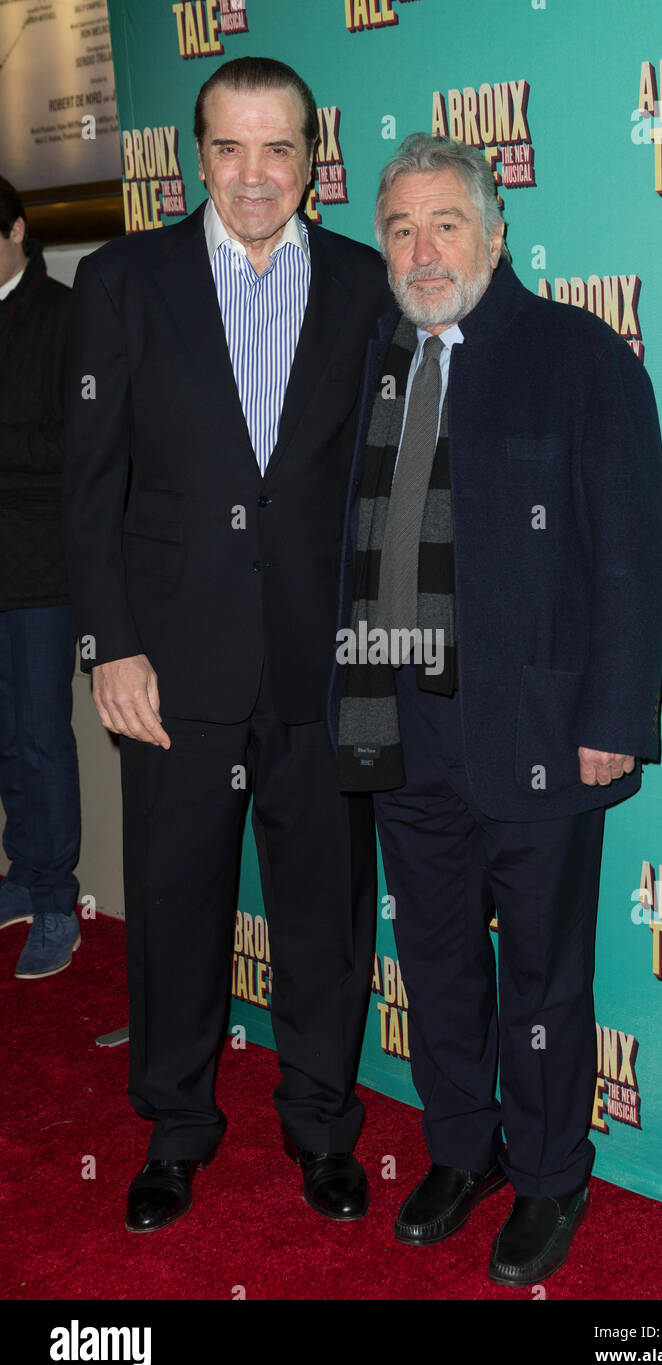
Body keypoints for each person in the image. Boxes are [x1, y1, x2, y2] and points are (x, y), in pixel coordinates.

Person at [332, 133, 662, 1285]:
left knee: (541, 976)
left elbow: (630, 554)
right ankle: (460, 1150)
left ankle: (547, 1174)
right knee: (433, 964)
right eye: (400, 229)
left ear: (495, 233)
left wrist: (612, 718)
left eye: (445, 225)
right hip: (403, 726)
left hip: (540, 734)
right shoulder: (374, 357)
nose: (423, 251)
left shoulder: (578, 356)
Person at [64, 57, 391, 1234]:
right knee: (172, 905)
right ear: (198, 154)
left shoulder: (367, 283)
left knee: (326, 913)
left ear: (315, 156)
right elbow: (90, 485)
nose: (255, 176)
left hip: (325, 665)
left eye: (280, 149)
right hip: (171, 668)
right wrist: (111, 644)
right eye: (231, 148)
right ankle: (176, 1128)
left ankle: (321, 1125)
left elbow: (389, 488)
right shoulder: (122, 279)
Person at [0, 177, 81, 980]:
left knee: (40, 734)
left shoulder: (64, 317)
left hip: (41, 563)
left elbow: (78, 450)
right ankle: (22, 872)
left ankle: (58, 900)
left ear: (18, 231)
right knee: (4, 735)